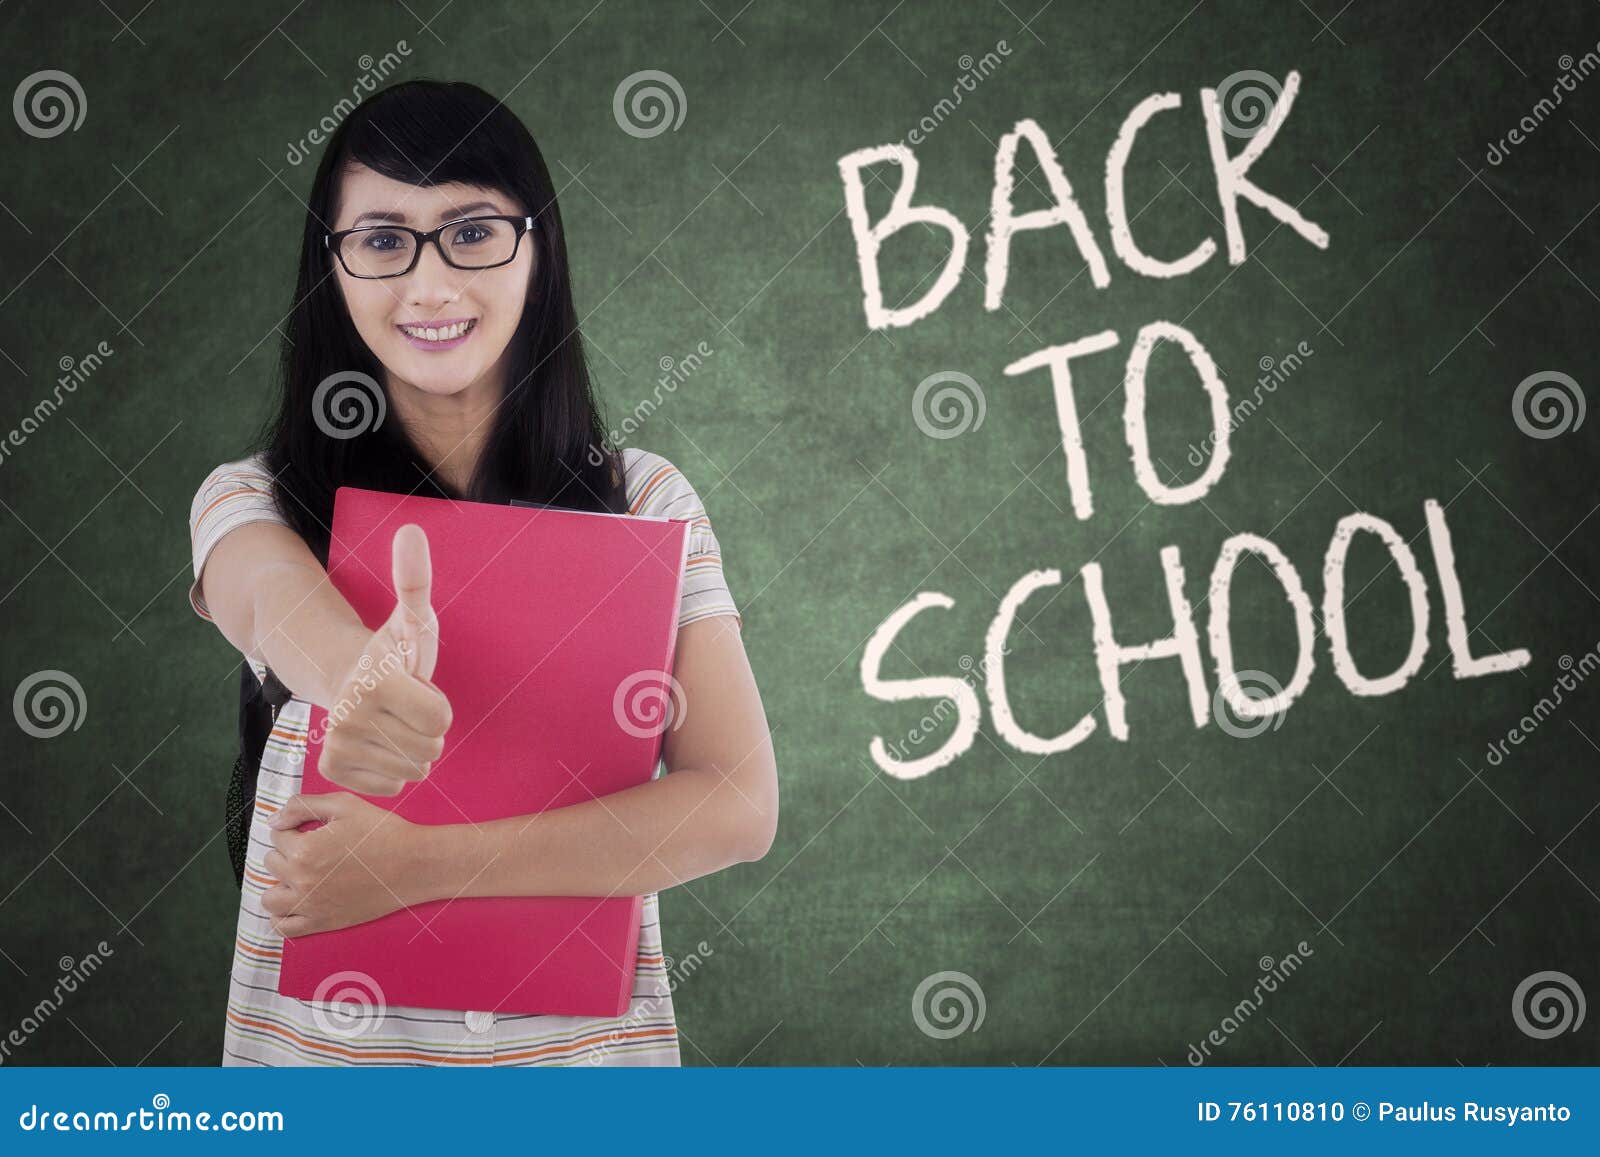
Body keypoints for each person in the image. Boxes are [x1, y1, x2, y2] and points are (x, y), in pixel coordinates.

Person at [187, 79, 777, 1066]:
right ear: (329, 268)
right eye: (382, 240)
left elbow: (737, 801)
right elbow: (266, 595)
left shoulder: (645, 500)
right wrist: (357, 680)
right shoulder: (258, 495)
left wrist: (421, 865)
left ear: (537, 252)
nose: (428, 286)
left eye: (471, 232)